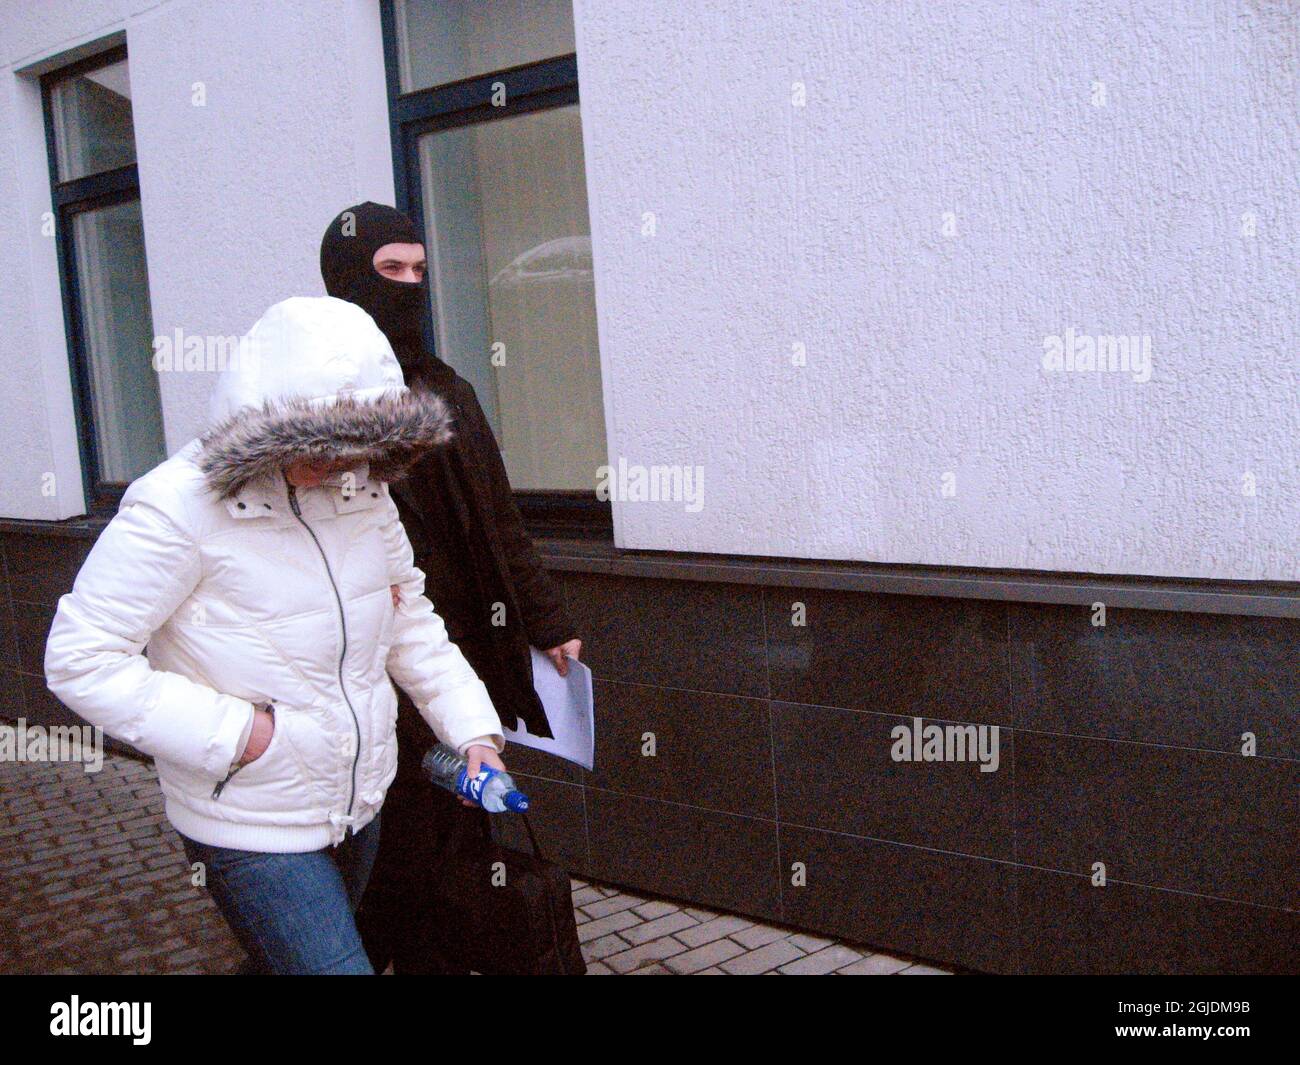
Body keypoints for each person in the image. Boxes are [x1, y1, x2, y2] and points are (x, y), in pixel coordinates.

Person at [44, 295, 509, 975]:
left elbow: (410, 620)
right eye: (319, 446)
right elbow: (79, 657)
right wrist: (239, 735)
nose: (340, 466)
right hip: (248, 820)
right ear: (270, 420)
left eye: (360, 446)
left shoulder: (364, 493)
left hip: (359, 801)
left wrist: (473, 732)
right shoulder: (176, 506)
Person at [320, 202, 582, 974]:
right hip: (373, 676)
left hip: (462, 660)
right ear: (345, 283)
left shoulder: (448, 391)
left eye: (420, 271)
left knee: (458, 835)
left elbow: (501, 521)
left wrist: (545, 618)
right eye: (389, 271)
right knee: (397, 849)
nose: (410, 287)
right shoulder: (326, 410)